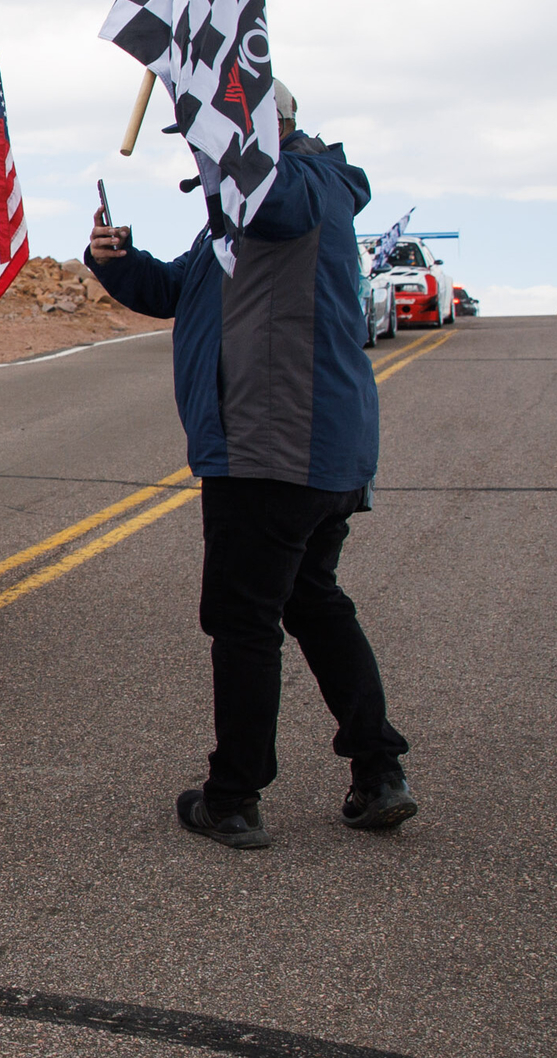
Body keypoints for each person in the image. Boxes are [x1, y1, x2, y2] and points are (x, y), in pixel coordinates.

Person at [84, 81, 415, 850]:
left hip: (274, 447)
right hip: (314, 447)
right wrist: (121, 263)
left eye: (204, 131)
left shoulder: (287, 187)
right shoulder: (242, 215)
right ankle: (380, 770)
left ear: (253, 131)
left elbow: (275, 198)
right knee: (313, 603)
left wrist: (233, 135)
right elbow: (184, 294)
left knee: (242, 620)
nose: (194, 148)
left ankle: (234, 796)